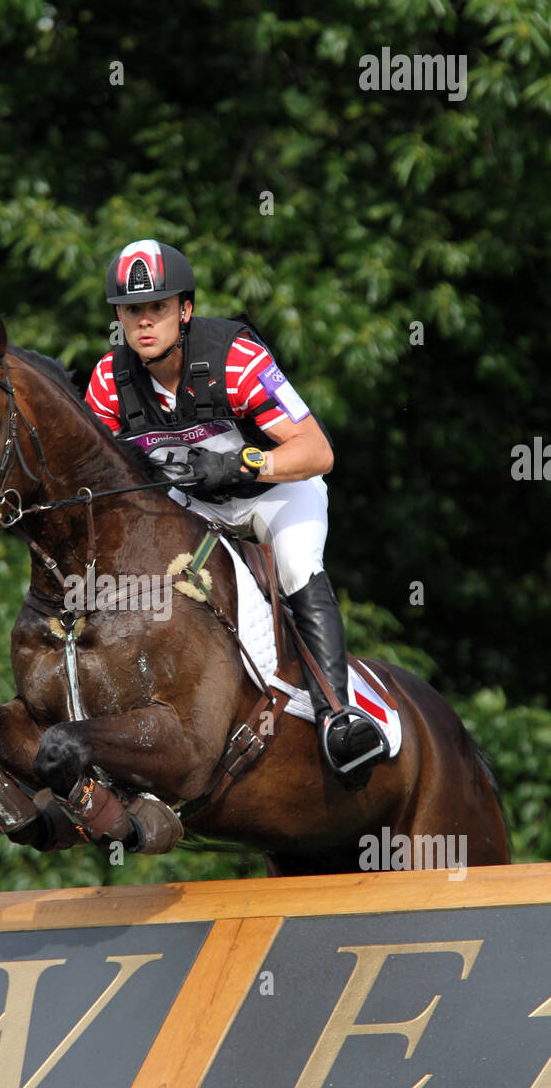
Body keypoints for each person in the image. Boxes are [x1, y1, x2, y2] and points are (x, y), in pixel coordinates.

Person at [85, 238, 388, 789]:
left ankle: (337, 717)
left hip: (275, 492)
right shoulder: (109, 381)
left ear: (185, 309)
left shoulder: (236, 358)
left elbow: (318, 451)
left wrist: (248, 463)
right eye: (131, 311)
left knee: (296, 566)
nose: (144, 322)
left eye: (157, 307)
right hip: (195, 506)